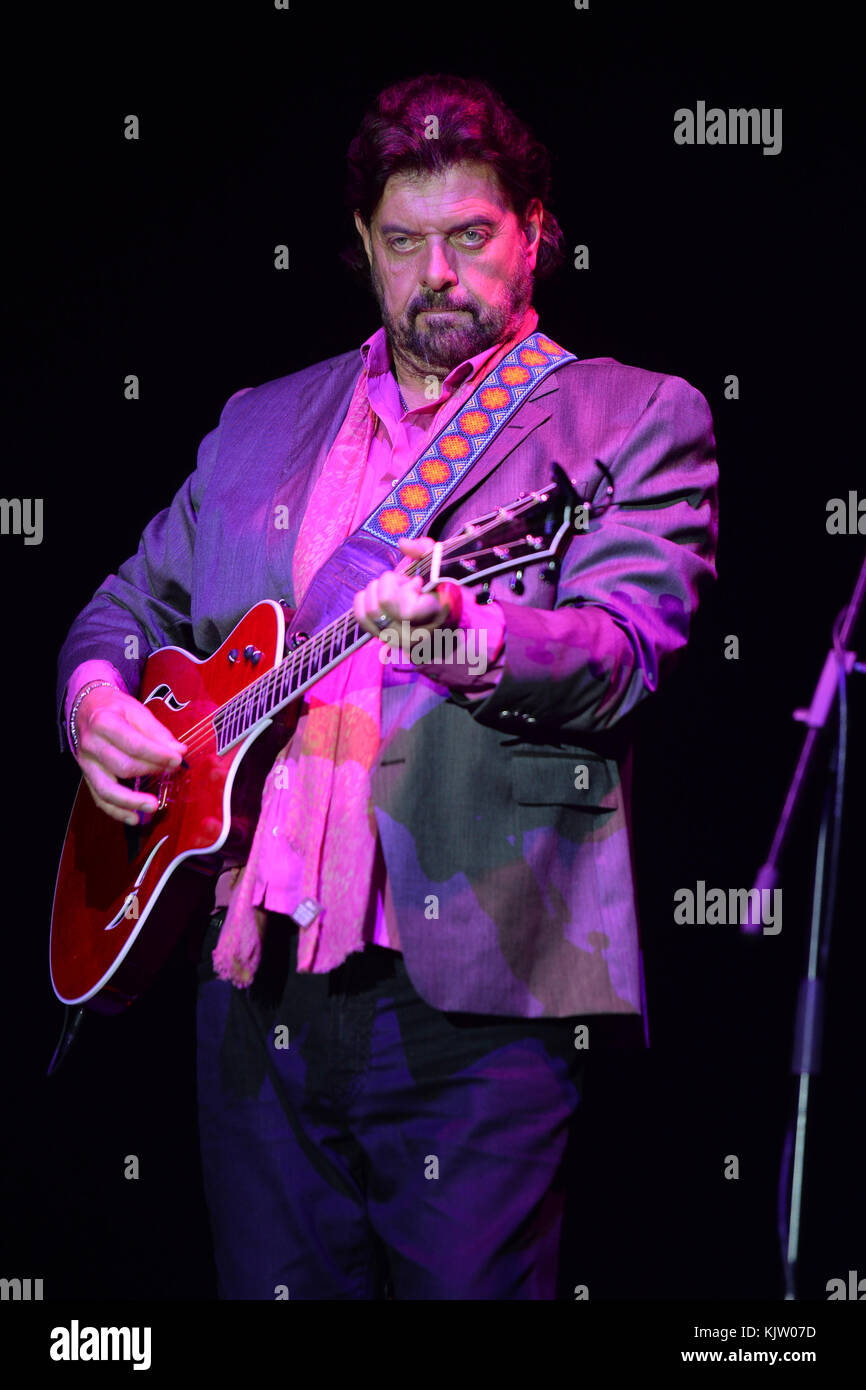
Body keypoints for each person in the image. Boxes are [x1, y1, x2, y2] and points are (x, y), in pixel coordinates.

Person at [55, 73, 718, 1299]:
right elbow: (123, 605)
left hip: (470, 994)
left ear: (535, 233)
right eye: (402, 241)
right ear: (361, 244)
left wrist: (464, 633)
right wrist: (94, 701)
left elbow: (623, 654)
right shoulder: (260, 420)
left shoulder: (627, 417)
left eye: (470, 235)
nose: (437, 271)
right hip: (252, 983)